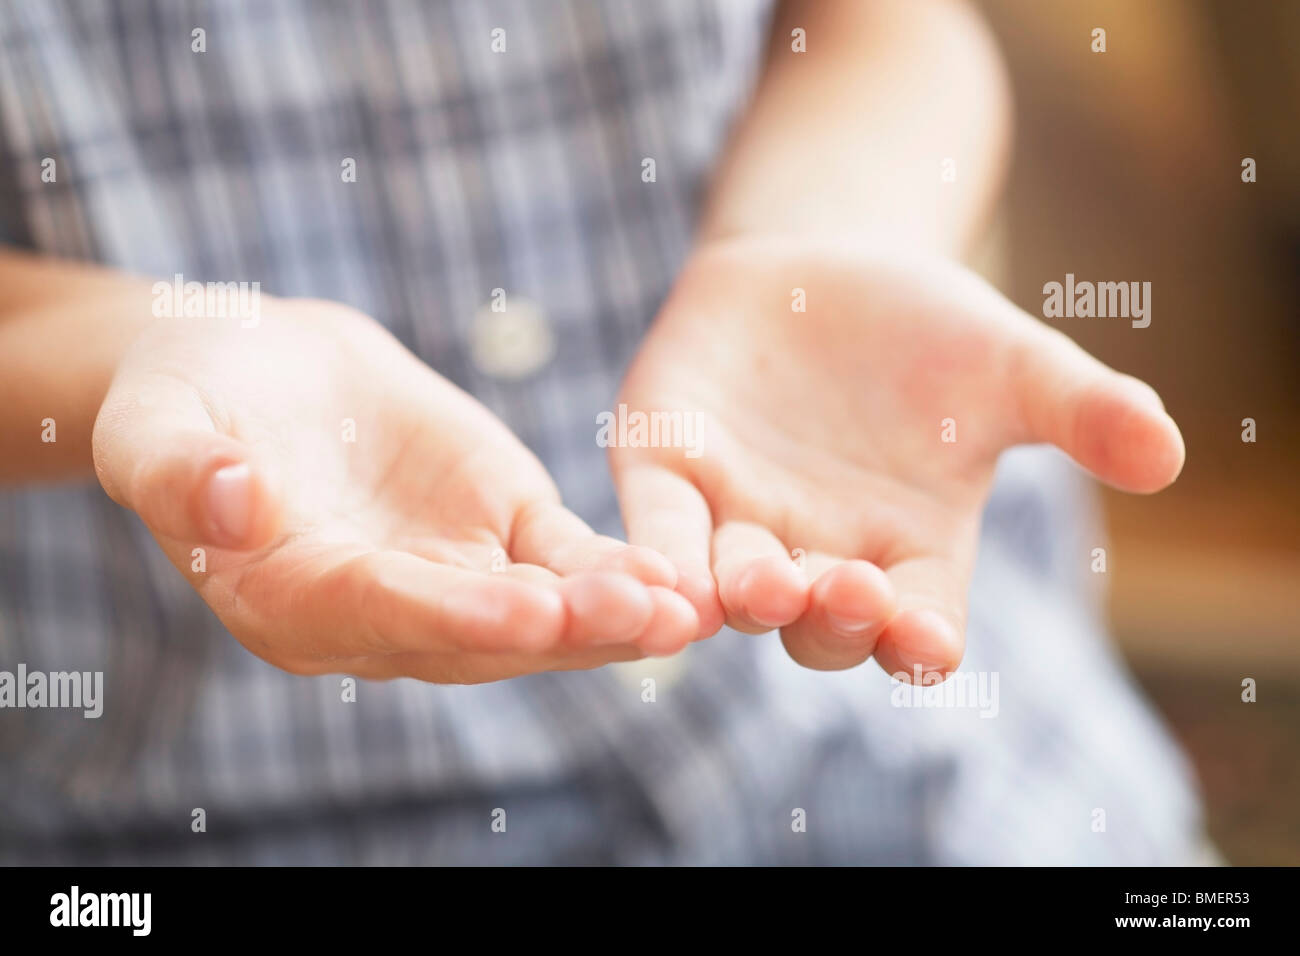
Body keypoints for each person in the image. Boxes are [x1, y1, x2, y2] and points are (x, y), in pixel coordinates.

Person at [0, 0, 1205, 864]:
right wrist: (140, 348)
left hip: (912, 755)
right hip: (186, 811)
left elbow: (876, 24)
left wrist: (817, 239)